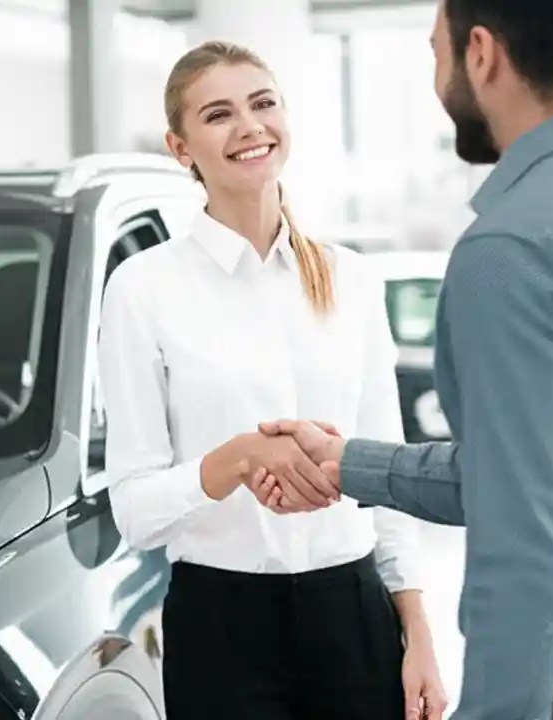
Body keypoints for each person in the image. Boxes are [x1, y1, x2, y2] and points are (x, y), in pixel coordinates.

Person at [253, 0, 553, 718]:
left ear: (481, 53)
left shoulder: (512, 250)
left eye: (435, 52)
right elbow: (532, 474)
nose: (438, 78)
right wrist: (349, 464)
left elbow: (528, 549)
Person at [97, 40, 446, 720]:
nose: (250, 126)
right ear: (181, 148)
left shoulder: (350, 278)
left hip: (355, 614)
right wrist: (236, 460)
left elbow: (388, 477)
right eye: (219, 114)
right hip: (221, 624)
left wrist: (420, 631)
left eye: (263, 104)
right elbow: (135, 513)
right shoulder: (143, 288)